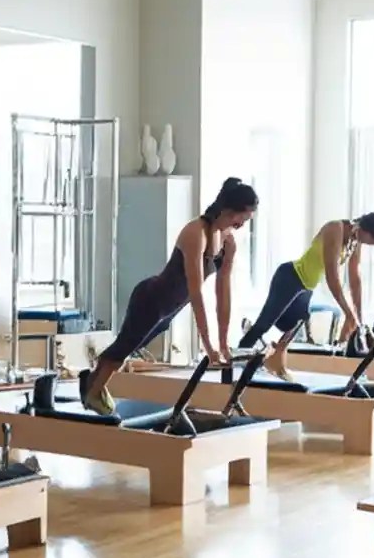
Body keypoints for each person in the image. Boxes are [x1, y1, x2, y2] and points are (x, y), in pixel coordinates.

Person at [82, 177, 258, 416]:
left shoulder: (228, 242)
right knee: (123, 350)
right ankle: (94, 390)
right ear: (229, 210)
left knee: (127, 346)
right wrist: (207, 345)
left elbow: (222, 293)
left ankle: (91, 382)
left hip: (169, 309)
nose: (242, 225)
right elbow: (196, 293)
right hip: (151, 300)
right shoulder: (196, 233)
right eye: (243, 218)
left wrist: (224, 343)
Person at [237, 213, 374, 378]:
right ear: (366, 230)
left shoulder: (355, 241)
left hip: (305, 286)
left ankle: (275, 362)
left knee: (292, 327)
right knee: (264, 324)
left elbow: (355, 280)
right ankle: (236, 365)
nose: (369, 244)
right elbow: (332, 276)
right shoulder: (336, 229)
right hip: (290, 277)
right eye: (372, 241)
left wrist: (358, 317)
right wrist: (348, 312)